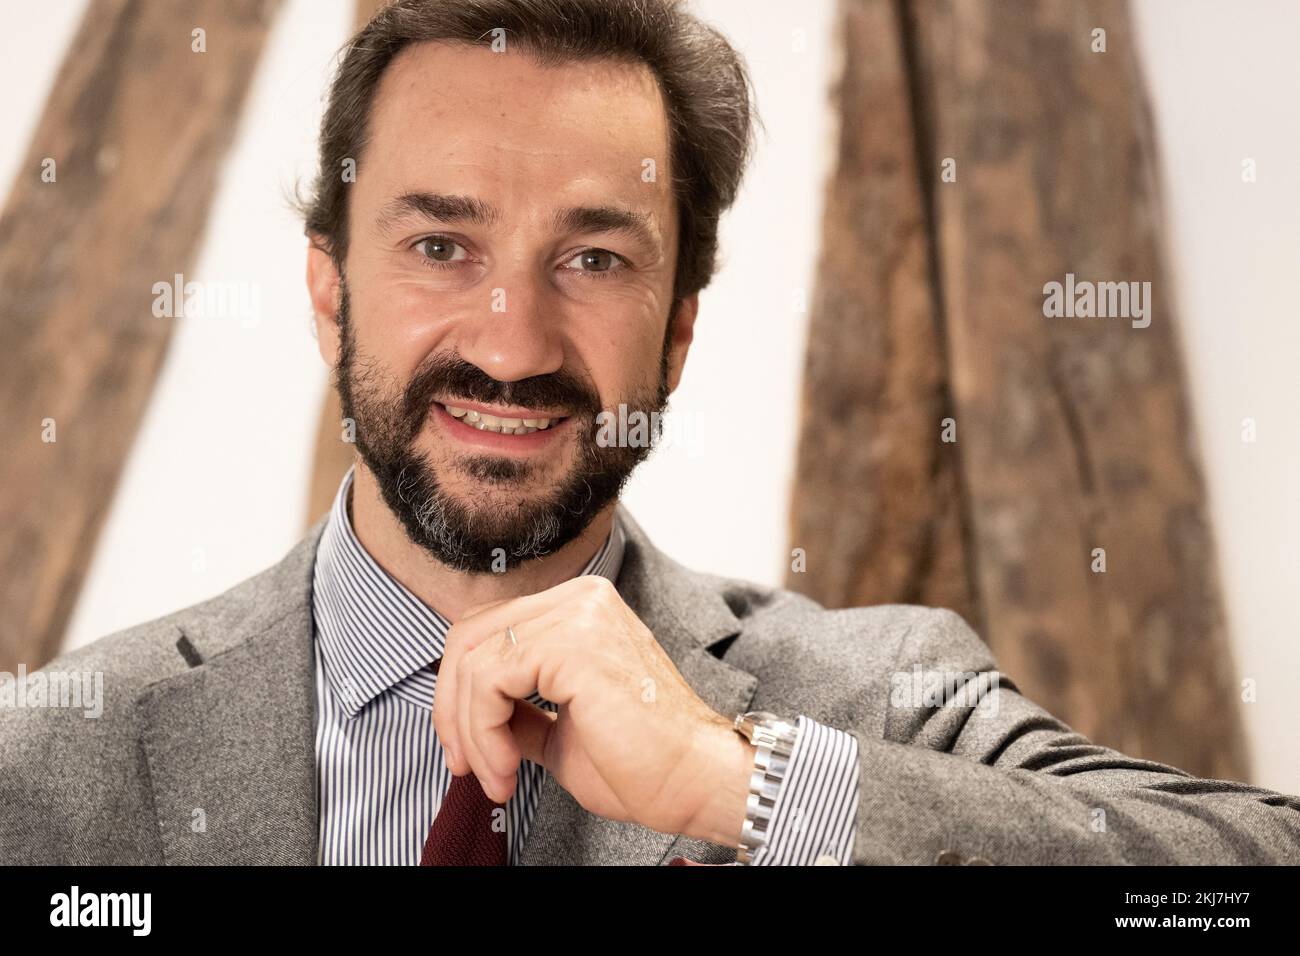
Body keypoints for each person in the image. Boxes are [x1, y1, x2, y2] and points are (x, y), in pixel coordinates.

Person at [2, 0, 1298, 866]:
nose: (511, 344)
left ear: (677, 330)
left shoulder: (873, 696)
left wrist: (733, 781)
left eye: (595, 259)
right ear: (329, 291)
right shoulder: (53, 762)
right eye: (442, 245)